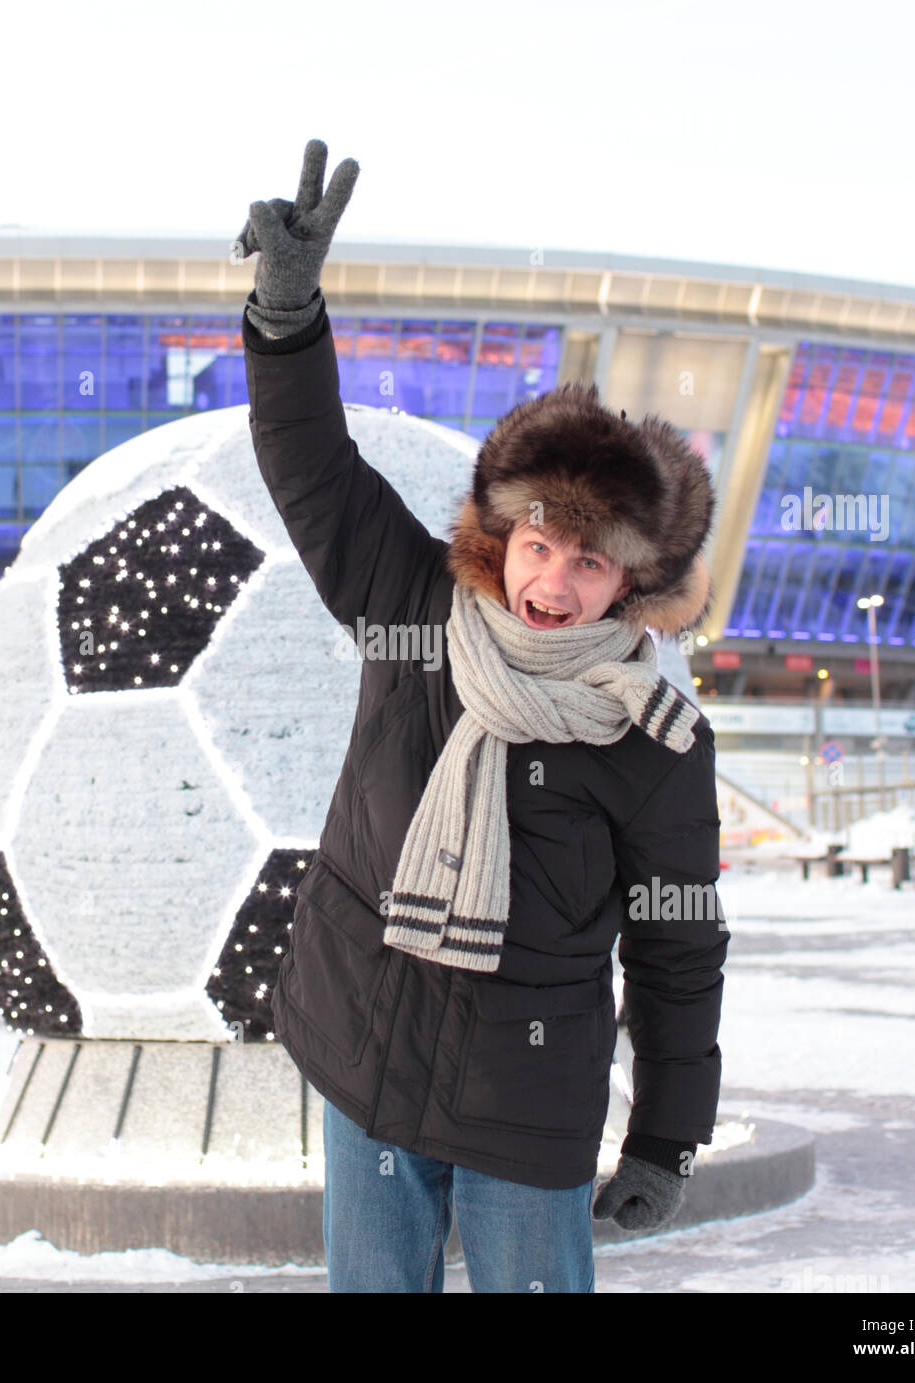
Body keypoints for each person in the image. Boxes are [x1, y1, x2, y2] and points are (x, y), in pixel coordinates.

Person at [233, 139, 729, 1294]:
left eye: (591, 566)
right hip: (368, 1065)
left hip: (525, 1109)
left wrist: (666, 1133)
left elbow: (675, 946)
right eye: (540, 545)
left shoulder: (655, 743)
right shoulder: (412, 613)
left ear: (635, 587)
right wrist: (288, 311)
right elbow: (312, 464)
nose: (552, 585)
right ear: (504, 537)